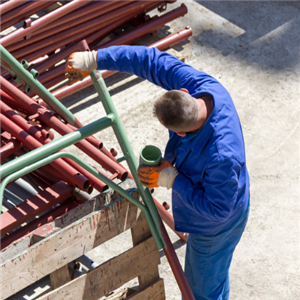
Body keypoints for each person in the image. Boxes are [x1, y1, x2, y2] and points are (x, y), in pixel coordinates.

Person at [65, 46, 250, 300]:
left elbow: (218, 209)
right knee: (215, 279)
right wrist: (95, 58)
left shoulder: (221, 156)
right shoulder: (199, 86)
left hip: (217, 226)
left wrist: (171, 179)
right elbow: (150, 60)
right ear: (184, 92)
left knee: (202, 292)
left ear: (182, 133)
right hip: (224, 198)